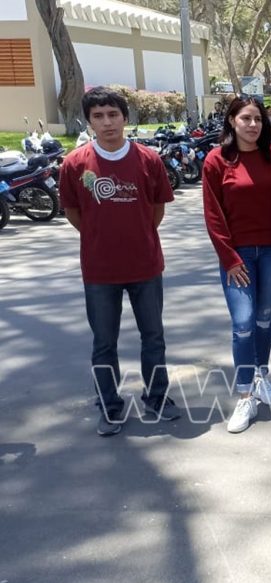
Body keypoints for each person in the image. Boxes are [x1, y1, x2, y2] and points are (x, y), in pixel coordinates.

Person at [59, 86, 181, 436]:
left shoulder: (149, 159)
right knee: (103, 343)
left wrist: (137, 234)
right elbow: (73, 213)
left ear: (125, 118)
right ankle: (110, 405)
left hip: (145, 265)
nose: (107, 122)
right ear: (89, 121)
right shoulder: (75, 163)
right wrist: (101, 238)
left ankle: (157, 398)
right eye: (98, 116)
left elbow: (156, 211)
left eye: (113, 114)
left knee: (153, 337)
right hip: (99, 271)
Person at [202, 96, 271, 434]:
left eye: (258, 120)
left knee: (264, 317)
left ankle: (260, 374)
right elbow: (213, 214)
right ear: (232, 122)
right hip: (236, 255)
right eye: (246, 119)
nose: (253, 125)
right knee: (243, 322)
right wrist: (229, 258)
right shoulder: (216, 160)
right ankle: (245, 394)